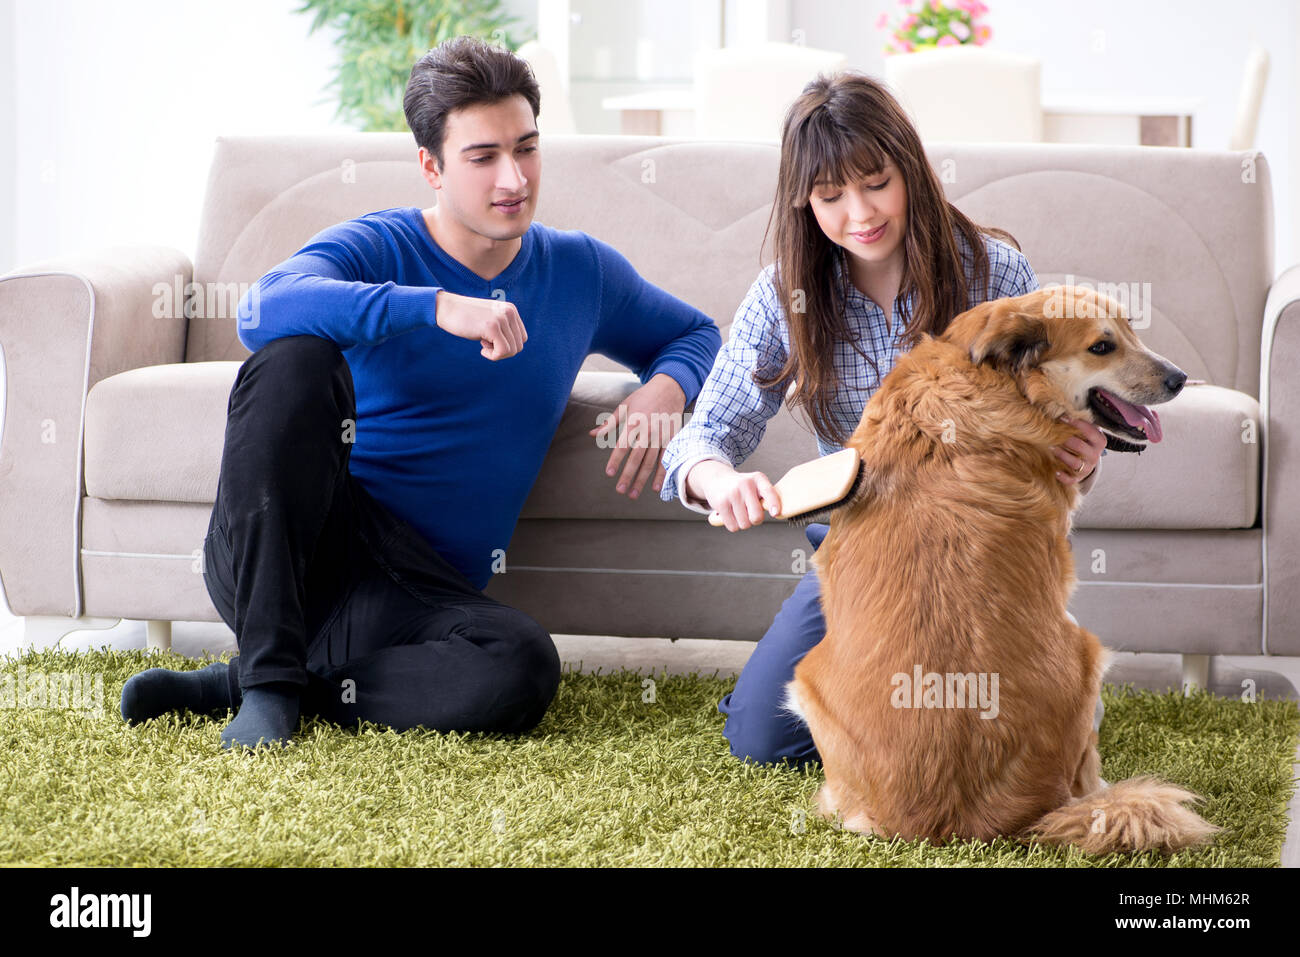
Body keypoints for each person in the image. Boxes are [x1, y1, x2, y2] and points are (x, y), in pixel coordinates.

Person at [120, 36, 721, 750]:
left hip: (415, 594)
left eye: (526, 148)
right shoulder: (381, 246)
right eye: (483, 157)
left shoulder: (579, 271)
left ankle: (255, 679)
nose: (514, 178)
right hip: (299, 551)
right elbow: (260, 309)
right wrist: (434, 305)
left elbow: (697, 333)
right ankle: (270, 685)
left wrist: (666, 387)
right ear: (431, 166)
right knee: (293, 361)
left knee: (524, 663)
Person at [660, 71, 1107, 771]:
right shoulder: (787, 294)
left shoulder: (998, 273)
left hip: (983, 543)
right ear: (804, 200)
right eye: (830, 196)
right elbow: (704, 432)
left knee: (1020, 721)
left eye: (875, 182)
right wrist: (715, 479)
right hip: (861, 544)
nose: (859, 212)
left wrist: (1079, 456)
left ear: (910, 170)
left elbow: (1052, 419)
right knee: (762, 737)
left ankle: (1035, 649)